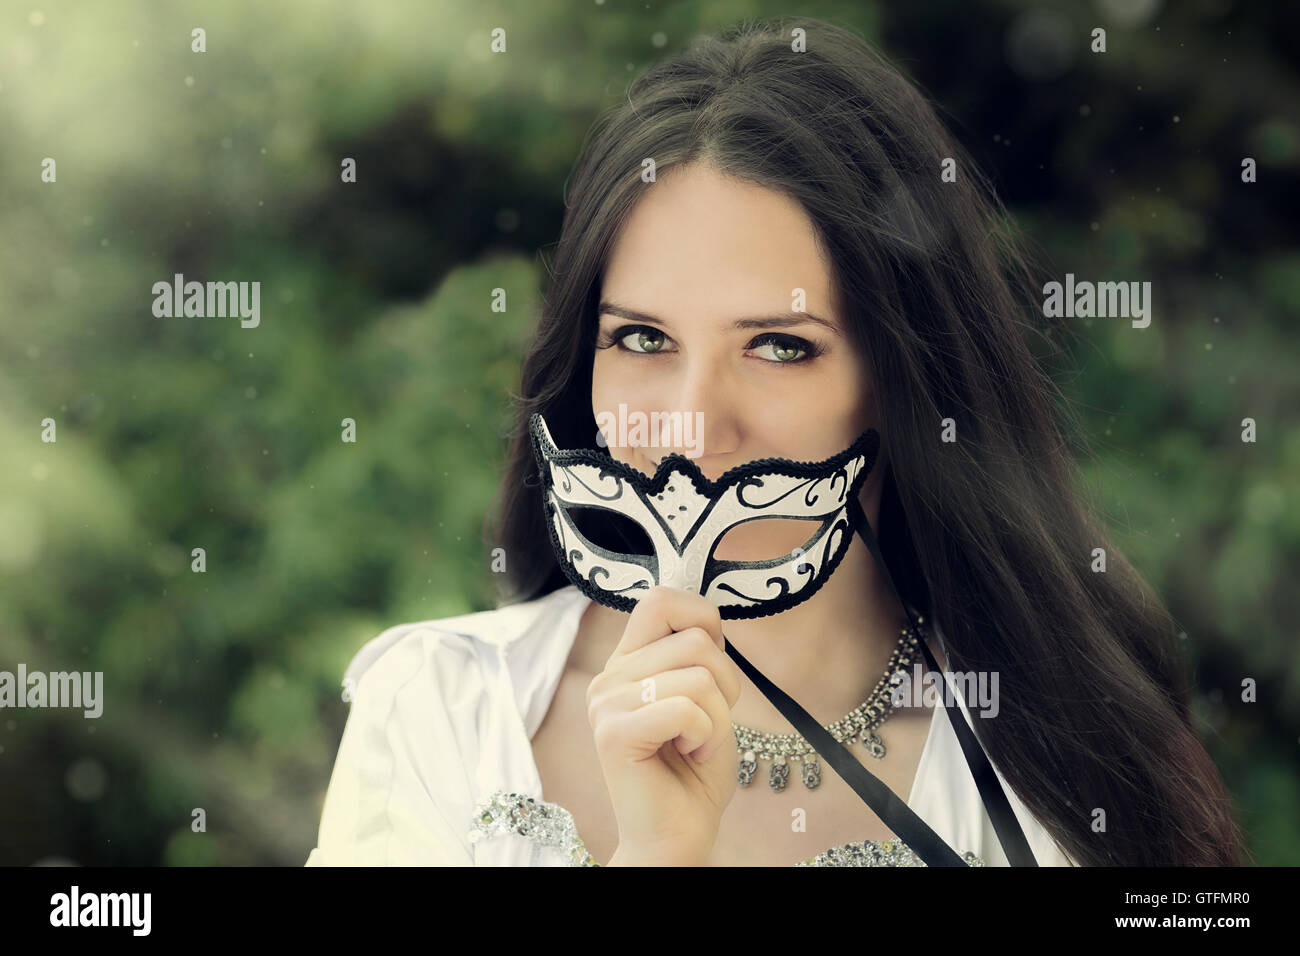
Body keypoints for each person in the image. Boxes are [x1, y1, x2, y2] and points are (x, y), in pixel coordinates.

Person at [306, 16, 1245, 867]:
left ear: (901, 380)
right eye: (641, 338)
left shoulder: (1064, 764)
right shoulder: (441, 714)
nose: (690, 424)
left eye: (779, 347)